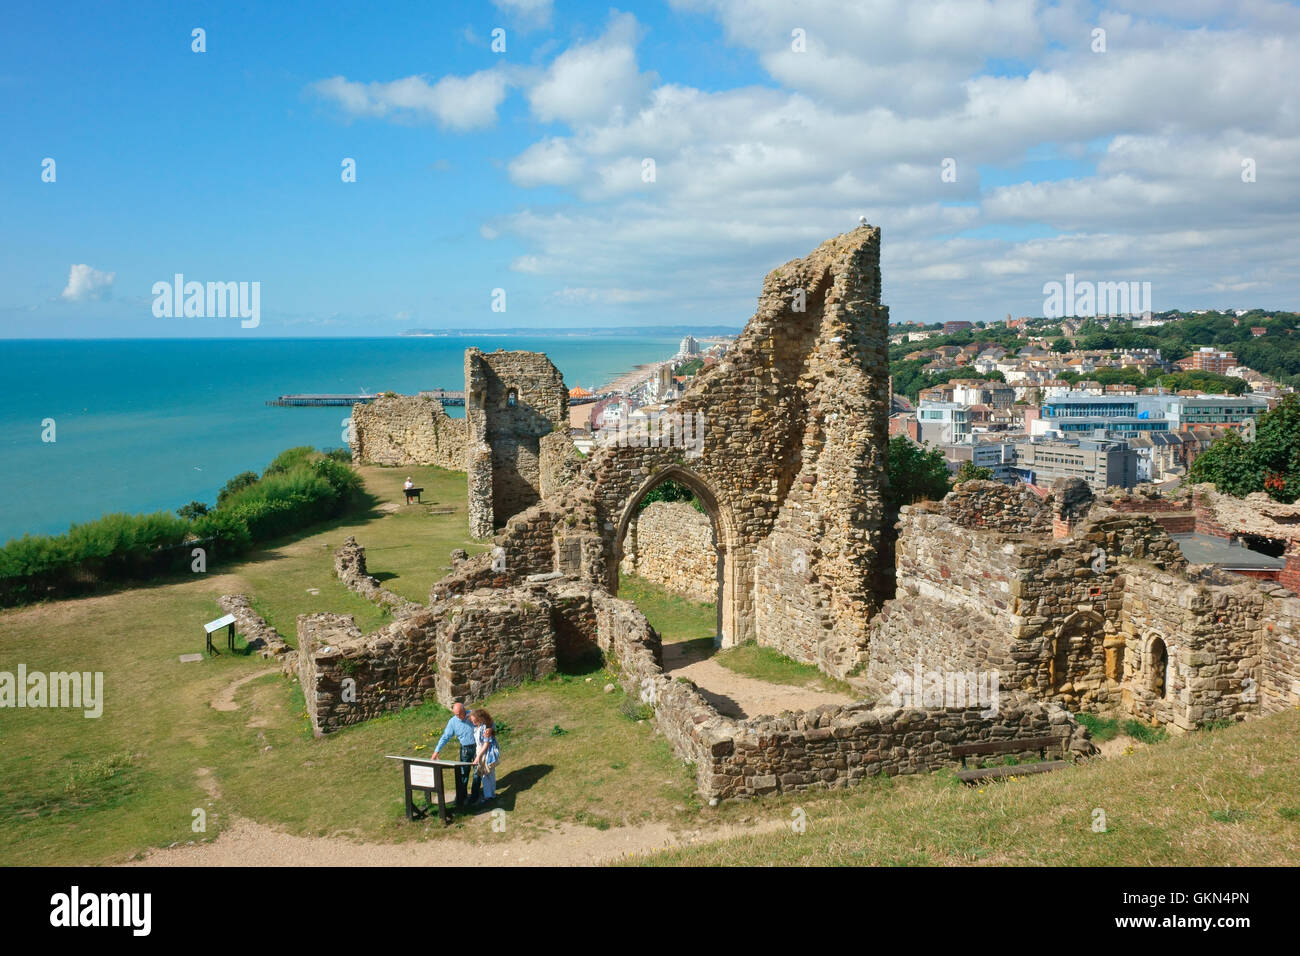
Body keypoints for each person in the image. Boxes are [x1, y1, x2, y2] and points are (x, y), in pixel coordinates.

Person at [433, 701, 477, 810]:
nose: (458, 716)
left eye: (460, 713)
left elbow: (488, 722)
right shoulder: (453, 722)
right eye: (456, 714)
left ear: (464, 710)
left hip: (478, 747)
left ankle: (475, 796)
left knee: (478, 772)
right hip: (465, 750)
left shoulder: (472, 714)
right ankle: (462, 796)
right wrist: (436, 751)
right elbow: (445, 737)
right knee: (463, 773)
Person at [469, 709, 499, 805]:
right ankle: (490, 795)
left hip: (485, 753)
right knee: (486, 774)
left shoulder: (485, 728)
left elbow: (486, 744)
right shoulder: (478, 727)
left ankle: (489, 796)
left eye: (475, 720)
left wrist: (478, 757)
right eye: (472, 720)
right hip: (481, 752)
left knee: (487, 774)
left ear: (480, 719)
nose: (473, 722)